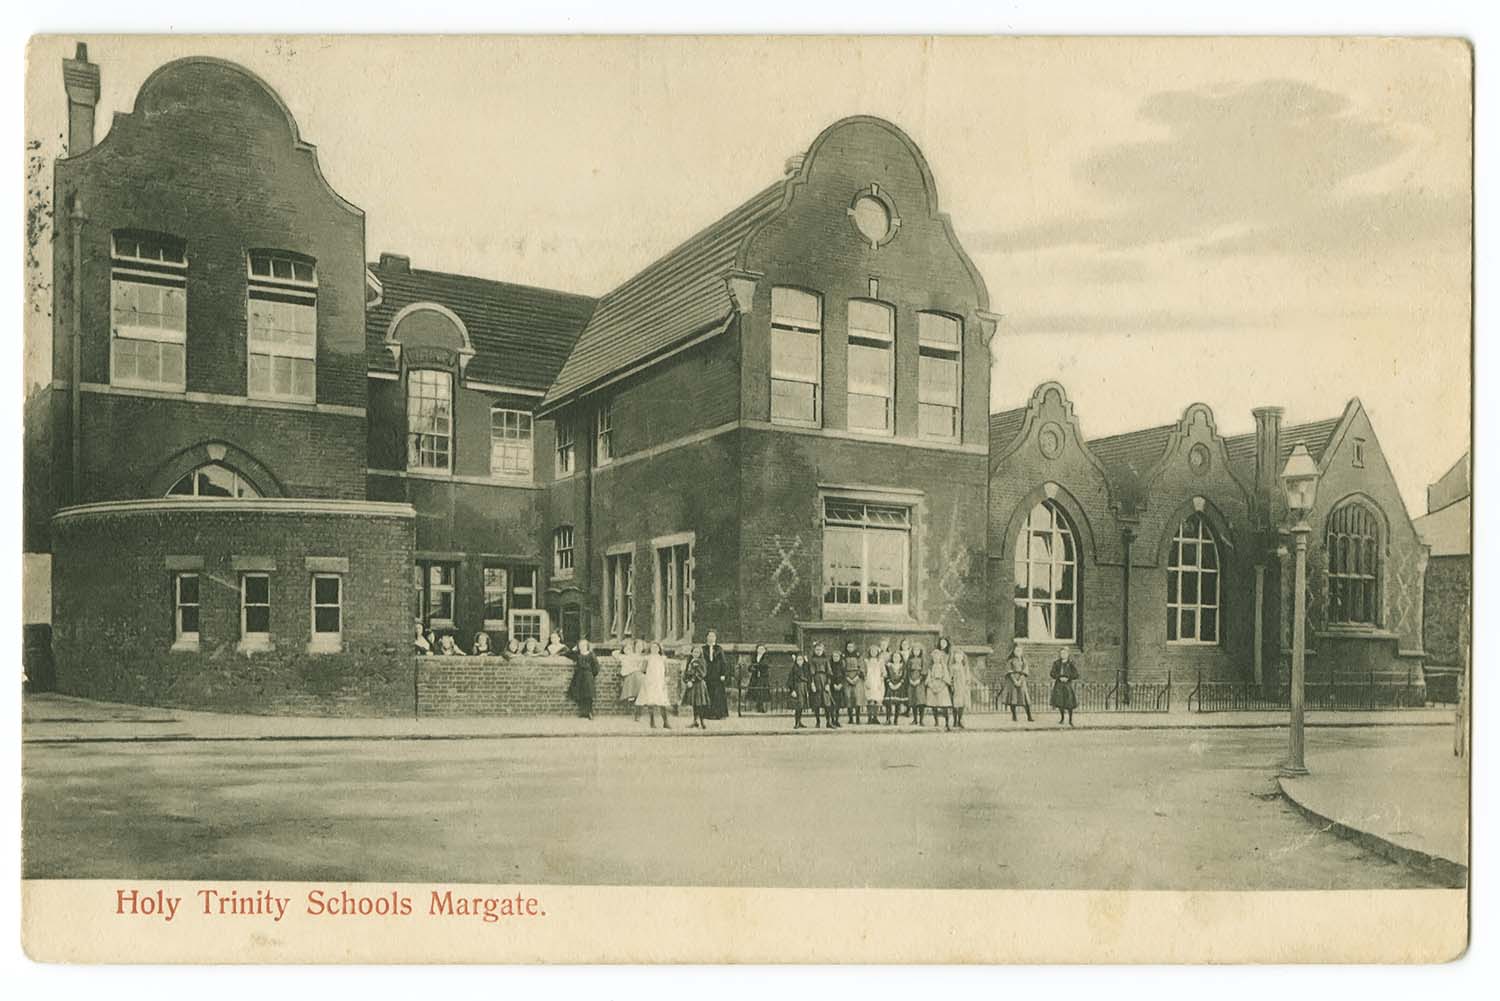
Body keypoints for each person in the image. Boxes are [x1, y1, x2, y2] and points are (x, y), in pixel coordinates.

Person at [637, 641, 671, 729]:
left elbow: (666, 671)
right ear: (650, 649)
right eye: (653, 647)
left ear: (659, 649)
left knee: (662, 701)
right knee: (650, 701)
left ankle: (665, 722)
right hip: (650, 681)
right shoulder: (647, 658)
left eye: (656, 647)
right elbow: (643, 670)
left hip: (660, 681)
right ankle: (652, 721)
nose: (655, 649)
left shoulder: (663, 658)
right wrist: (644, 680)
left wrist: (666, 679)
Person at [568, 639, 600, 719]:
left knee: (588, 694)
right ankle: (583, 712)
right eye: (580, 645)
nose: (582, 647)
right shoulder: (577, 654)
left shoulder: (591, 654)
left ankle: (589, 712)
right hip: (579, 676)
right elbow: (567, 654)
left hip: (588, 675)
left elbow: (596, 667)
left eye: (584, 645)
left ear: (587, 646)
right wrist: (573, 649)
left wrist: (591, 674)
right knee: (580, 693)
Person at [927, 637, 955, 731]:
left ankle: (947, 723)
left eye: (937, 657)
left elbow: (946, 676)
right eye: (934, 657)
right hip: (933, 685)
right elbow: (929, 677)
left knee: (944, 705)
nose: (936, 658)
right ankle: (936, 721)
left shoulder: (943, 666)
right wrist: (931, 685)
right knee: (933, 705)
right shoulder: (931, 667)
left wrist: (942, 685)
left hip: (941, 686)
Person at [808, 641, 838, 728]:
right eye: (817, 650)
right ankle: (818, 722)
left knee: (827, 704)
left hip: (824, 681)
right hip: (816, 681)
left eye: (820, 649)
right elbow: (811, 674)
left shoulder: (826, 660)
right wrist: (812, 684)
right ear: (814, 650)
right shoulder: (812, 660)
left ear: (823, 650)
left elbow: (829, 673)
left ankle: (828, 722)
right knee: (816, 703)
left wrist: (828, 684)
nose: (818, 651)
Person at [701, 630, 730, 720]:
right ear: (706, 637)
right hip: (707, 674)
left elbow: (723, 662)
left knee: (717, 695)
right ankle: (707, 714)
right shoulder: (703, 649)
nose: (711, 638)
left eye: (713, 636)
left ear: (715, 638)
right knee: (707, 693)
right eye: (709, 636)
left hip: (717, 675)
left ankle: (719, 714)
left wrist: (723, 674)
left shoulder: (719, 649)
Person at [1001, 645, 1034, 722]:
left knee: (1025, 698)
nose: (1018, 652)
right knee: (1013, 698)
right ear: (1013, 652)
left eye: (1019, 651)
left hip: (1022, 680)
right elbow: (1009, 671)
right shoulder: (1010, 661)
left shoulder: (1024, 661)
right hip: (1012, 681)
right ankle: (1014, 716)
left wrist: (1020, 680)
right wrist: (1015, 681)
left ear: (1022, 652)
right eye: (1016, 651)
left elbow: (1025, 671)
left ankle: (1029, 716)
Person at [1049, 648, 1080, 726]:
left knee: (1069, 703)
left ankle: (1070, 720)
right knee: (1060, 703)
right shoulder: (1056, 663)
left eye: (1065, 653)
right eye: (1061, 653)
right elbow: (1052, 673)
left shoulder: (1071, 663)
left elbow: (1076, 674)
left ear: (1068, 654)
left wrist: (1068, 678)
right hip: (1059, 685)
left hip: (1067, 685)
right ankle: (1062, 718)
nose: (1063, 655)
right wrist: (1059, 677)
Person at [681, 647, 710, 729]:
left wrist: (692, 681)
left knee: (699, 704)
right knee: (694, 704)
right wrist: (686, 681)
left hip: (698, 684)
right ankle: (695, 721)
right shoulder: (690, 661)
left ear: (700, 653)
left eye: (697, 652)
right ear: (692, 653)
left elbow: (702, 674)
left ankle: (702, 722)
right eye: (694, 652)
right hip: (691, 685)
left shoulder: (702, 662)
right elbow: (686, 672)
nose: (695, 654)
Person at [618, 638, 646, 719]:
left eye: (640, 646)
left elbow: (643, 669)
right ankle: (632, 696)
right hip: (634, 676)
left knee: (640, 685)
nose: (639, 648)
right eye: (637, 646)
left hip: (640, 676)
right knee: (637, 679)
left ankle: (633, 697)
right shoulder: (631, 655)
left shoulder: (644, 657)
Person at [787, 652, 813, 729]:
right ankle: (797, 722)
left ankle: (800, 721)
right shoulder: (794, 669)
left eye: (801, 660)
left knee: (802, 706)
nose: (800, 661)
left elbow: (809, 674)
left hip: (804, 687)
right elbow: (791, 680)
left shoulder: (805, 668)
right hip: (797, 687)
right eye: (798, 660)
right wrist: (792, 690)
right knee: (798, 705)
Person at [883, 642, 907, 725]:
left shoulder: (903, 666)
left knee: (897, 704)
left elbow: (904, 676)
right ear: (892, 658)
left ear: (901, 658)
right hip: (890, 685)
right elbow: (886, 676)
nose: (896, 658)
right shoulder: (889, 666)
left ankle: (896, 719)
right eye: (894, 657)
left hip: (899, 685)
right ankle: (888, 719)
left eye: (898, 657)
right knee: (889, 703)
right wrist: (889, 683)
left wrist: (900, 683)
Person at [745, 644, 773, 713]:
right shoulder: (754, 657)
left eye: (762, 649)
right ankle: (757, 706)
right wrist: (752, 668)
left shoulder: (766, 657)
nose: (760, 650)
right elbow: (750, 666)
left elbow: (765, 664)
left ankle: (762, 707)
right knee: (755, 691)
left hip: (763, 676)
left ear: (765, 650)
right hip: (755, 676)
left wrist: (755, 666)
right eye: (759, 649)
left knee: (762, 691)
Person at [950, 644, 972, 729]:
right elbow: (951, 677)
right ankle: (955, 721)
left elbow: (968, 677)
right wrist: (952, 685)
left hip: (963, 687)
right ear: (954, 658)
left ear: (962, 658)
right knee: (955, 705)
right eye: (956, 657)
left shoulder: (965, 667)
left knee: (962, 704)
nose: (958, 658)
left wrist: (967, 685)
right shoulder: (953, 667)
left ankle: (960, 720)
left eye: (960, 657)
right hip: (956, 687)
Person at [842, 640, 865, 724]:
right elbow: (842, 668)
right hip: (847, 679)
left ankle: (858, 718)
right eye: (848, 647)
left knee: (857, 697)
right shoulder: (843, 656)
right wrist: (847, 678)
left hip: (857, 679)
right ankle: (851, 718)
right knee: (848, 697)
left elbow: (861, 667)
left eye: (851, 646)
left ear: (854, 647)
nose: (850, 648)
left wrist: (857, 677)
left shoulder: (858, 656)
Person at [906, 643, 928, 726]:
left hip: (920, 682)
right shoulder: (910, 660)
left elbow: (924, 671)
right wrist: (910, 680)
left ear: (920, 651)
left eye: (918, 650)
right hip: (911, 682)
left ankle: (921, 720)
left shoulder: (922, 660)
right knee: (913, 701)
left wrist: (919, 679)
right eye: (914, 650)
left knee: (920, 701)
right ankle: (915, 719)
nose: (916, 652)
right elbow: (907, 671)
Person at [863, 644, 885, 725]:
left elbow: (883, 673)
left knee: (876, 700)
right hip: (869, 682)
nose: (873, 653)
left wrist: (881, 682)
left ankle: (875, 717)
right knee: (870, 700)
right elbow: (864, 672)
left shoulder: (880, 661)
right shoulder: (866, 661)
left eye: (875, 651)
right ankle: (869, 717)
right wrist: (866, 681)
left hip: (877, 682)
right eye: (872, 651)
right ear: (869, 652)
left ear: (877, 652)